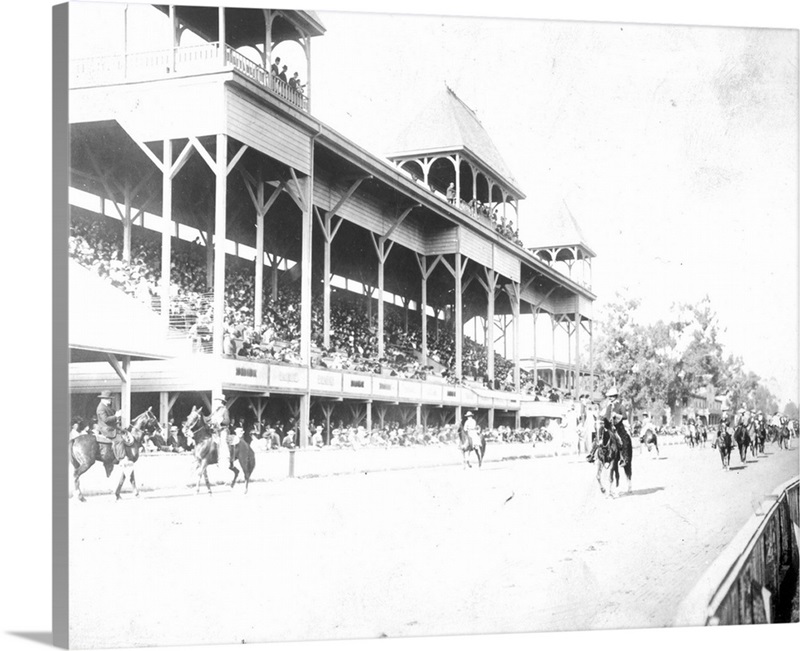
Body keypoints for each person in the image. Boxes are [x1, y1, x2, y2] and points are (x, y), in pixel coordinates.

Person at [586, 387, 625, 464]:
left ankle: (621, 458)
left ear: (615, 397)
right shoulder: (608, 406)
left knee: (619, 440)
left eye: (612, 396)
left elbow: (625, 416)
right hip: (607, 426)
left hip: (616, 427)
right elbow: (605, 416)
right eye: (609, 396)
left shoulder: (620, 406)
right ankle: (592, 454)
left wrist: (616, 415)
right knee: (597, 437)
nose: (610, 398)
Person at [95, 390, 128, 461]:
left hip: (111, 427)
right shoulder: (101, 408)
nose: (110, 400)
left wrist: (117, 413)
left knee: (124, 432)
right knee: (119, 440)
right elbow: (106, 420)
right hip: (106, 429)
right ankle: (121, 458)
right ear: (104, 399)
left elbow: (111, 413)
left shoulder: (106, 406)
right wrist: (116, 416)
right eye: (109, 399)